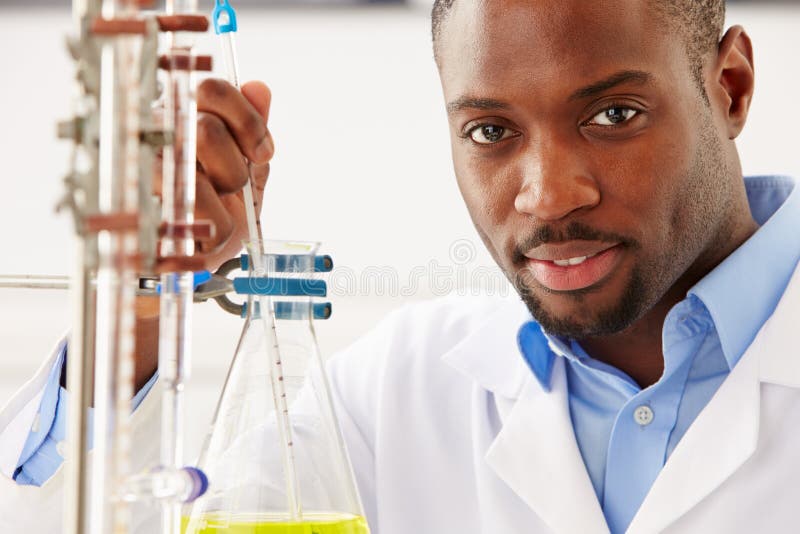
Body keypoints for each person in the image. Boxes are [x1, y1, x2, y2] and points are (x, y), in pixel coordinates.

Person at [2, 0, 799, 532]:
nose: (549, 194)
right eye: (491, 132)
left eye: (613, 115)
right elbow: (108, 513)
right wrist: (141, 297)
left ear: (728, 87)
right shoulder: (393, 395)